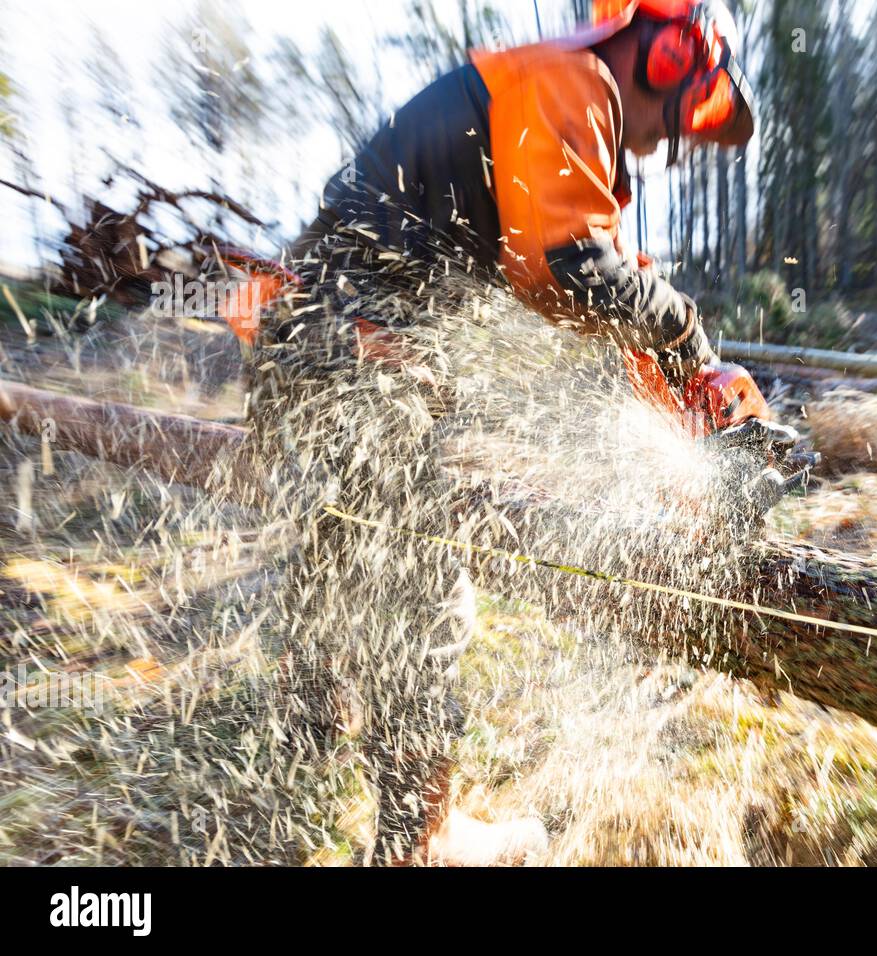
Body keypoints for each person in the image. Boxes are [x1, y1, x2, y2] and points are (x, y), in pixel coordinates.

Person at [249, 0, 756, 866]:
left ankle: (284, 800)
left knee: (340, 586)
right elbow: (561, 267)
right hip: (357, 366)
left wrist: (687, 423)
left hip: (309, 350)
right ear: (669, 56)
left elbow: (606, 281)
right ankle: (422, 840)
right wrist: (683, 335)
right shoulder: (572, 81)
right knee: (420, 600)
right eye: (692, 114)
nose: (662, 147)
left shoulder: (541, 97)